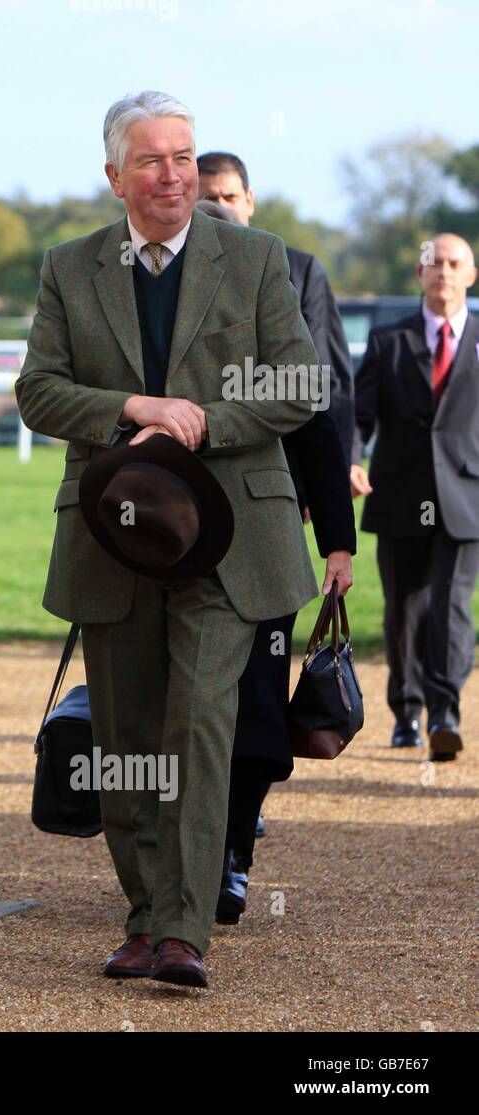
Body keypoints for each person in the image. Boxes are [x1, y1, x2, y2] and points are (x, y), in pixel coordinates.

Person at [15, 91, 320, 988]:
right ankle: (146, 915)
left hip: (232, 533)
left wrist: (201, 422)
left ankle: (185, 929)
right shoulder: (69, 269)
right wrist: (132, 410)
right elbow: (39, 391)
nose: (173, 175)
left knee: (197, 722)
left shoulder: (259, 258)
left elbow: (301, 383)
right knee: (127, 735)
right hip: (113, 535)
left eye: (184, 156)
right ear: (115, 176)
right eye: (150, 160)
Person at [190, 197, 356, 923]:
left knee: (256, 711)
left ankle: (232, 856)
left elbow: (319, 433)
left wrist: (339, 545)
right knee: (181, 716)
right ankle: (178, 864)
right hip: (171, 546)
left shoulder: (276, 331)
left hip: (263, 546)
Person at [350, 234, 479, 763]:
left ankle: (445, 712)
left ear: (470, 275)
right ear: (420, 273)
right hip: (399, 492)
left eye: (453, 264)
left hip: (467, 495)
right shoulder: (388, 341)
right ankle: (406, 711)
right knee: (404, 607)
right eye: (433, 262)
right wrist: (351, 459)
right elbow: (359, 415)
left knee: (451, 602)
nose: (442, 271)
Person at [197, 152, 356, 459]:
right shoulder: (169, 270)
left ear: (249, 201)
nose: (220, 207)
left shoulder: (297, 268)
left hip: (288, 450)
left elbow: (323, 375)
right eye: (209, 198)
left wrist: (335, 468)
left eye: (229, 197)